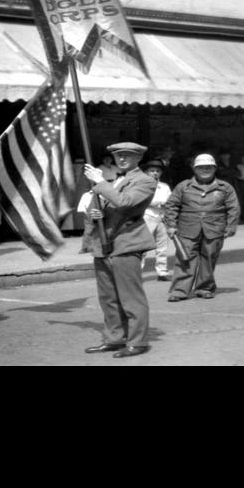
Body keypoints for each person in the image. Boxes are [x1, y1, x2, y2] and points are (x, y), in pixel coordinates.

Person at [82, 142, 158, 358]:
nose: (122, 159)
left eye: (128, 155)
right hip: (104, 244)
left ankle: (137, 341)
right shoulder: (116, 181)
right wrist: (96, 213)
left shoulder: (145, 180)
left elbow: (125, 202)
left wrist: (100, 182)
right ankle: (114, 338)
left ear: (138, 159)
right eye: (118, 156)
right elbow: (106, 206)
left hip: (127, 242)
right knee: (108, 298)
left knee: (131, 298)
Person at [162, 153, 239, 302]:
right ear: (194, 169)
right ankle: (180, 290)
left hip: (215, 228)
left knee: (209, 258)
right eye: (201, 167)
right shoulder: (183, 186)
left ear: (215, 168)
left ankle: (204, 288)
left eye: (209, 167)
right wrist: (171, 225)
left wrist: (231, 226)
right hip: (187, 229)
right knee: (185, 259)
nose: (205, 170)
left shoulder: (225, 187)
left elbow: (233, 207)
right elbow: (171, 205)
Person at [139, 157, 174, 280]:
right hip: (146, 216)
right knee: (143, 246)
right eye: (152, 170)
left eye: (157, 171)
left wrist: (165, 207)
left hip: (161, 216)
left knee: (162, 246)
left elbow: (170, 200)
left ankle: (162, 272)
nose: (155, 173)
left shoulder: (164, 186)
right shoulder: (141, 185)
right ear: (146, 172)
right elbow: (142, 200)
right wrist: (158, 203)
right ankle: (137, 272)